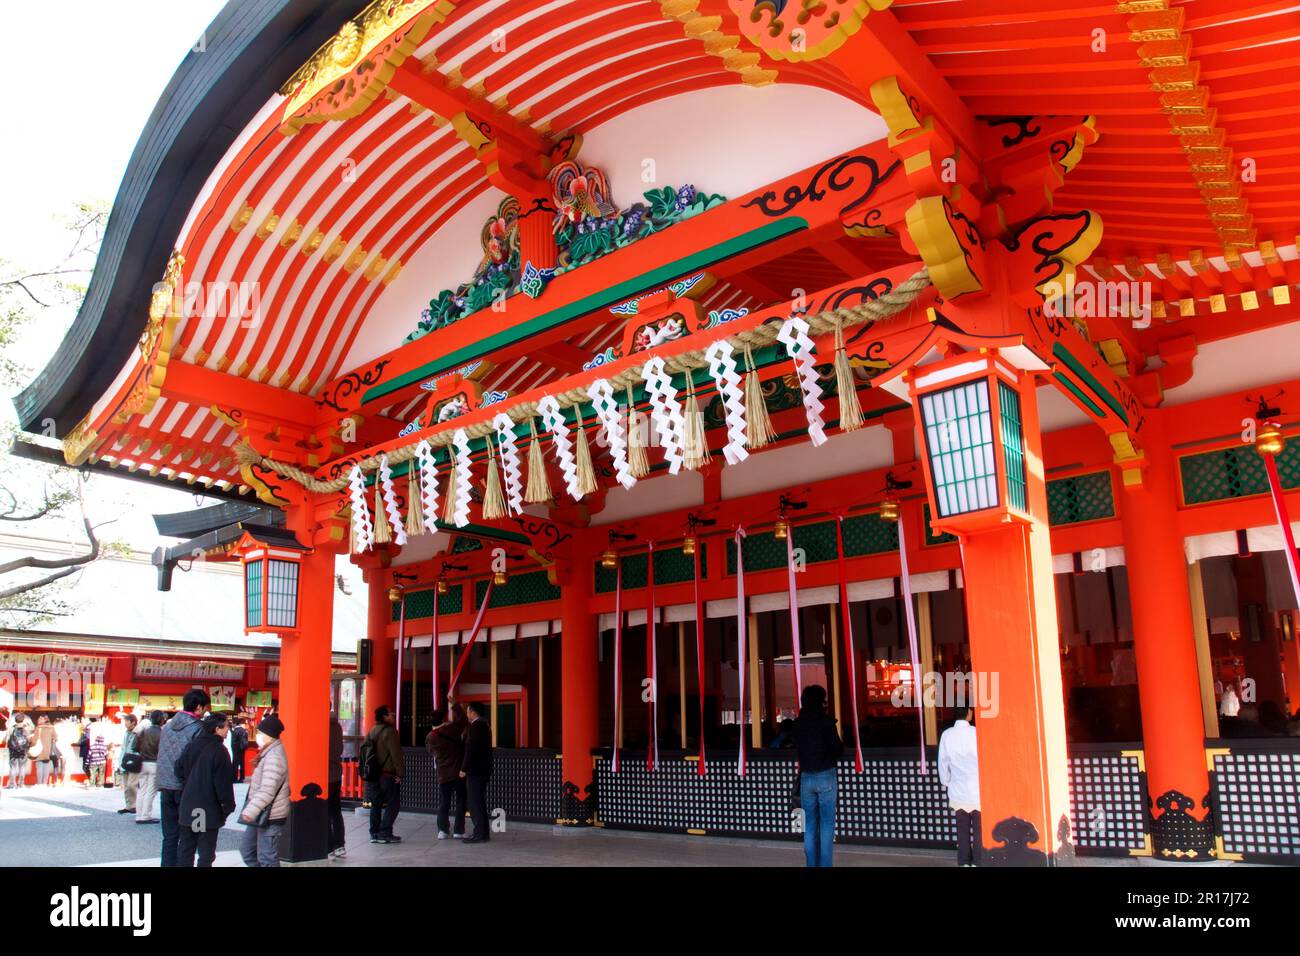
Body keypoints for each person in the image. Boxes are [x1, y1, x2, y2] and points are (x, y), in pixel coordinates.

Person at [156, 690, 211, 866]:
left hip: (166, 785)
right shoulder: (198, 729)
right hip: (187, 789)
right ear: (199, 707)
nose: (205, 711)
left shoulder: (167, 726)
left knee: (170, 835)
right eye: (205, 707)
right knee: (190, 835)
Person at [791, 684, 843, 868]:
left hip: (806, 778)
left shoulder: (797, 724)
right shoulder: (827, 722)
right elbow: (838, 749)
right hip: (826, 775)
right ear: (821, 701)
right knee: (827, 826)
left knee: (810, 826)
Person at [175, 714, 236, 867]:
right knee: (205, 851)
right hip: (205, 808)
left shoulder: (192, 745)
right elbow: (223, 783)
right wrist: (228, 806)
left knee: (186, 847)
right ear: (217, 729)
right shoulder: (219, 751)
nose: (229, 729)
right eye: (226, 726)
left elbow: (178, 768)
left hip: (189, 803)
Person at [238, 715, 290, 867]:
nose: (258, 736)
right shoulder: (267, 752)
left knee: (267, 856)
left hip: (270, 814)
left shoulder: (274, 756)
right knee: (247, 850)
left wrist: (250, 811)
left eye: (261, 733)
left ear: (269, 735)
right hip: (261, 812)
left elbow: (268, 789)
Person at [937, 706, 980, 867]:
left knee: (962, 830)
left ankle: (963, 863)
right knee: (978, 830)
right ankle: (977, 862)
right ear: (969, 712)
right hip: (977, 791)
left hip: (958, 791)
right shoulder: (976, 733)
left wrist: (947, 781)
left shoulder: (947, 735)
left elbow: (943, 762)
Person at [424, 694, 467, 840]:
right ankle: (458, 831)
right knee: (461, 802)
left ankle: (442, 830)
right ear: (443, 719)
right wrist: (455, 704)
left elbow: (430, 751)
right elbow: (463, 720)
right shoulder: (452, 730)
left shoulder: (430, 736)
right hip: (458, 773)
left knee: (444, 803)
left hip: (443, 774)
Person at [365, 705, 404, 844]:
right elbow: (396, 754)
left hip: (373, 774)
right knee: (393, 804)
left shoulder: (372, 730)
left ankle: (374, 833)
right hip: (387, 774)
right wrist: (400, 773)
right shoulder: (390, 732)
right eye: (390, 713)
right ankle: (385, 832)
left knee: (376, 804)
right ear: (384, 716)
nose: (393, 715)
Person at [460, 699, 493, 844]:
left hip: (475, 770)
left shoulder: (476, 726)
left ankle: (479, 833)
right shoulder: (485, 724)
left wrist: (464, 768)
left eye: (468, 712)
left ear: (473, 712)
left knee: (474, 802)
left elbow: (470, 749)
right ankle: (483, 832)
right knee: (480, 801)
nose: (467, 715)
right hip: (484, 769)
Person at [134, 711, 163, 824]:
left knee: (142, 789)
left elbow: (135, 746)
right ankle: (146, 815)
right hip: (155, 763)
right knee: (151, 790)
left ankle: (139, 814)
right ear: (161, 720)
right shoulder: (162, 733)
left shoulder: (143, 731)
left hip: (142, 762)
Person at [327, 710, 346, 860]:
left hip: (324, 774)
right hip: (335, 773)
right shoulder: (337, 726)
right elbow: (339, 749)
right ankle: (339, 845)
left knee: (325, 812)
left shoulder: (323, 726)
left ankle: (328, 846)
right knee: (336, 811)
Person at [116, 714, 140, 815]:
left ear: (133, 722)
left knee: (132, 784)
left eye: (126, 721)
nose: (125, 724)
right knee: (126, 785)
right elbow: (123, 747)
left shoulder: (138, 732)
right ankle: (128, 805)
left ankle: (134, 805)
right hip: (125, 760)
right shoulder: (126, 733)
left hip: (134, 760)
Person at [5, 713, 30, 788]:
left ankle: (12, 783)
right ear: (23, 720)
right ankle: (21, 784)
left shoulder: (12, 728)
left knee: (13, 767)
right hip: (23, 751)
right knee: (22, 767)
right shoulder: (27, 728)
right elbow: (29, 739)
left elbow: (7, 738)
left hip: (13, 750)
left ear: (15, 720)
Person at [33, 716, 56, 786]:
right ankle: (44, 783)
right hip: (48, 750)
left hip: (39, 750)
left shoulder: (38, 728)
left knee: (39, 767)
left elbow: (34, 740)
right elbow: (55, 738)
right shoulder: (52, 728)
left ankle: (39, 783)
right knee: (46, 766)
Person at [229, 718, 248, 783]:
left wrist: (232, 748)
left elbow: (233, 741)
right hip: (242, 748)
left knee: (235, 764)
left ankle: (235, 778)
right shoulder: (243, 730)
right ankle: (242, 777)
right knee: (242, 763)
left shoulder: (235, 731)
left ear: (234, 723)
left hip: (236, 749)